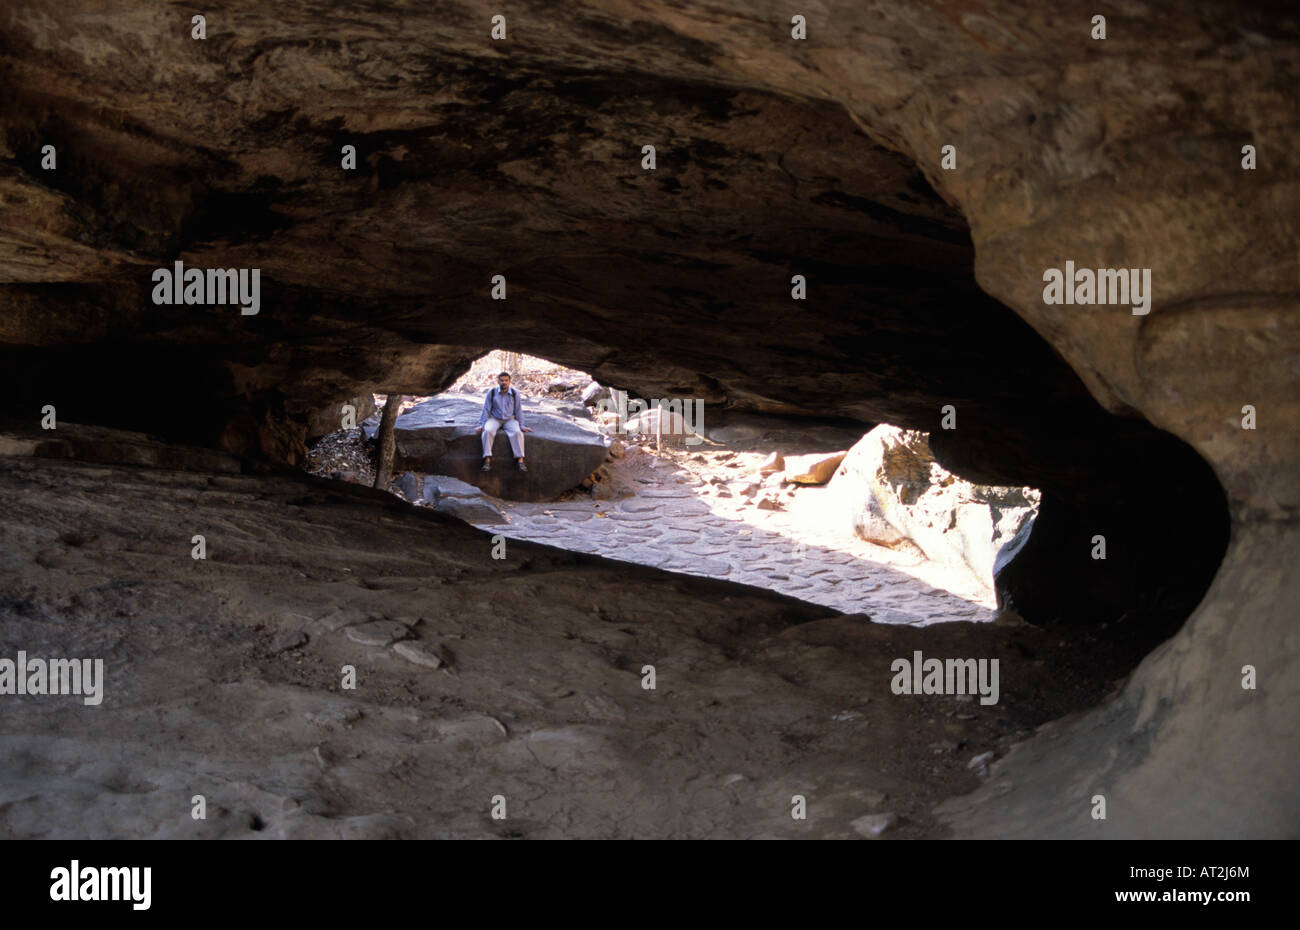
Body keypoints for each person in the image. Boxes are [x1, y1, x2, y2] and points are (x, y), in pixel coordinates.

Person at [475, 371, 533, 472]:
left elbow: (518, 410)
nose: (504, 383)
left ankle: (520, 461)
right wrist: (482, 424)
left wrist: (522, 425)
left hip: (510, 419)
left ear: (509, 381)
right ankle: (487, 460)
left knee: (517, 432)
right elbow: (486, 409)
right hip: (495, 418)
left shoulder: (515, 393)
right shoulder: (492, 392)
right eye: (501, 380)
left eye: (506, 380)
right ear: (498, 381)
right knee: (487, 431)